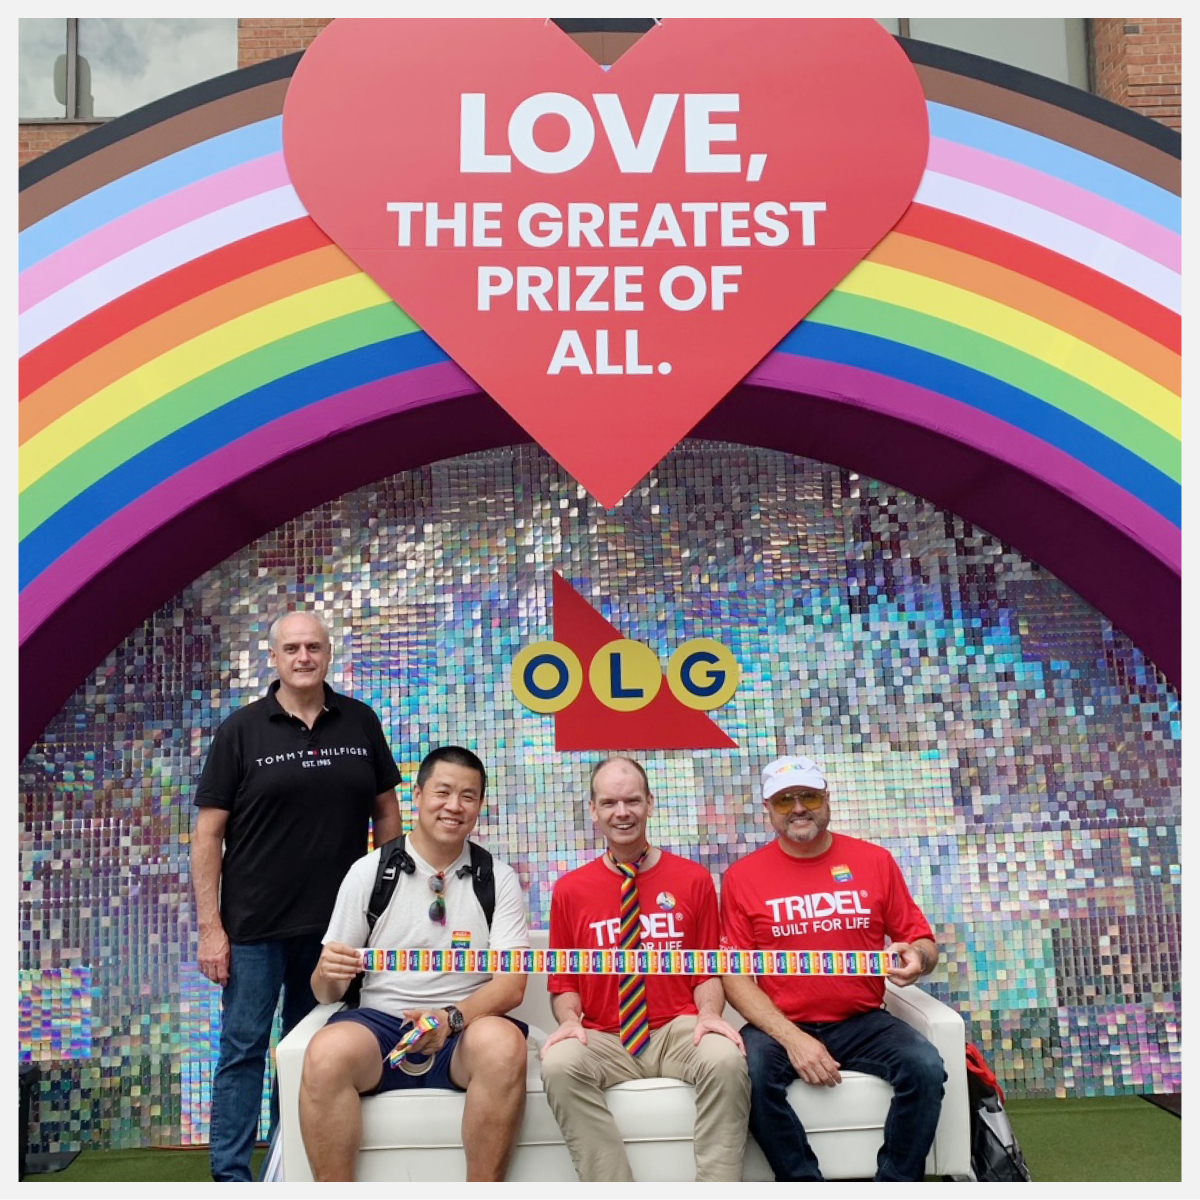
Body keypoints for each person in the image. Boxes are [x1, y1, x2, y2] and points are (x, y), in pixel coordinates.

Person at [192, 610, 402, 1182]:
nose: (303, 657)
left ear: (329, 654)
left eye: (313, 646)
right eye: (292, 648)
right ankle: (232, 1177)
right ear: (275, 658)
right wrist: (212, 928)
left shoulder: (360, 722)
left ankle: (292, 1171)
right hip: (254, 926)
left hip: (335, 930)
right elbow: (208, 833)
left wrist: (389, 899)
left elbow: (387, 813)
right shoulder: (241, 730)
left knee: (311, 1054)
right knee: (244, 1051)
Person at [299, 745, 530, 1182]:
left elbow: (512, 985)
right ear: (418, 796)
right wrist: (326, 974)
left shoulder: (497, 878)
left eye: (468, 796)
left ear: (479, 806)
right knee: (326, 1055)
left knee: (503, 1046)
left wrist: (451, 1018)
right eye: (442, 792)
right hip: (379, 1026)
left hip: (464, 1028)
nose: (453, 806)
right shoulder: (370, 872)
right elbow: (325, 991)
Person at [720, 755, 946, 1182]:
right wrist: (793, 1039)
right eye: (785, 801)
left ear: (827, 800)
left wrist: (919, 958)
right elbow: (734, 974)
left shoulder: (874, 861)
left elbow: (921, 940)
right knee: (747, 1075)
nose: (798, 808)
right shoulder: (742, 877)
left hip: (862, 1020)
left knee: (925, 1066)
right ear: (768, 811)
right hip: (780, 1023)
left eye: (808, 795)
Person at [540, 756, 750, 1181]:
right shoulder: (569, 891)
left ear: (650, 804)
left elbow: (706, 969)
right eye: (610, 802)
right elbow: (563, 980)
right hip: (604, 1035)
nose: (623, 812)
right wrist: (567, 1021)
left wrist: (710, 1015)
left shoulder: (693, 880)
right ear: (594, 810)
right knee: (559, 1065)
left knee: (727, 1059)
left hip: (677, 1029)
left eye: (633, 800)